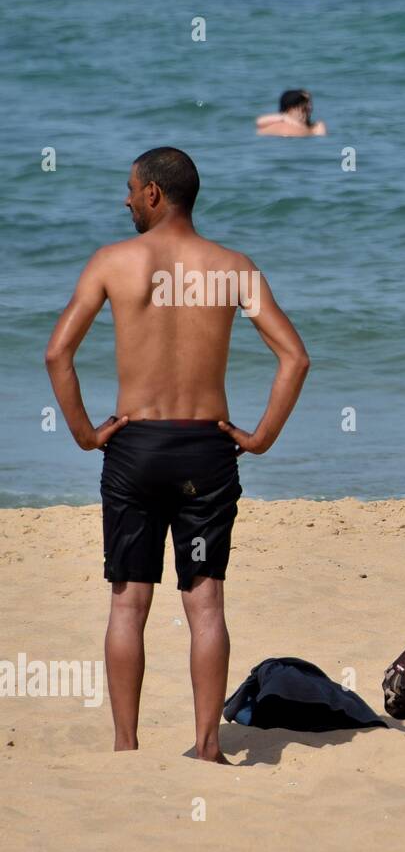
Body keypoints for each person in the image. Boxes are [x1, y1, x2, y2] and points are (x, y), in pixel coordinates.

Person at [43, 148, 311, 761]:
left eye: (131, 190)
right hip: (206, 452)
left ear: (156, 195)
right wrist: (262, 435)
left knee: (129, 600)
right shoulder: (232, 267)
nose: (126, 199)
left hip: (135, 448)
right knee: (206, 601)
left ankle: (125, 746)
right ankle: (208, 746)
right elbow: (295, 357)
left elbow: (58, 354)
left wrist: (86, 433)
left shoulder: (113, 263)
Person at [256, 89, 327, 137]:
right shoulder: (272, 124)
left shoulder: (316, 127)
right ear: (290, 108)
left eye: (310, 104)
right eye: (303, 107)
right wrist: (284, 118)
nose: (310, 108)